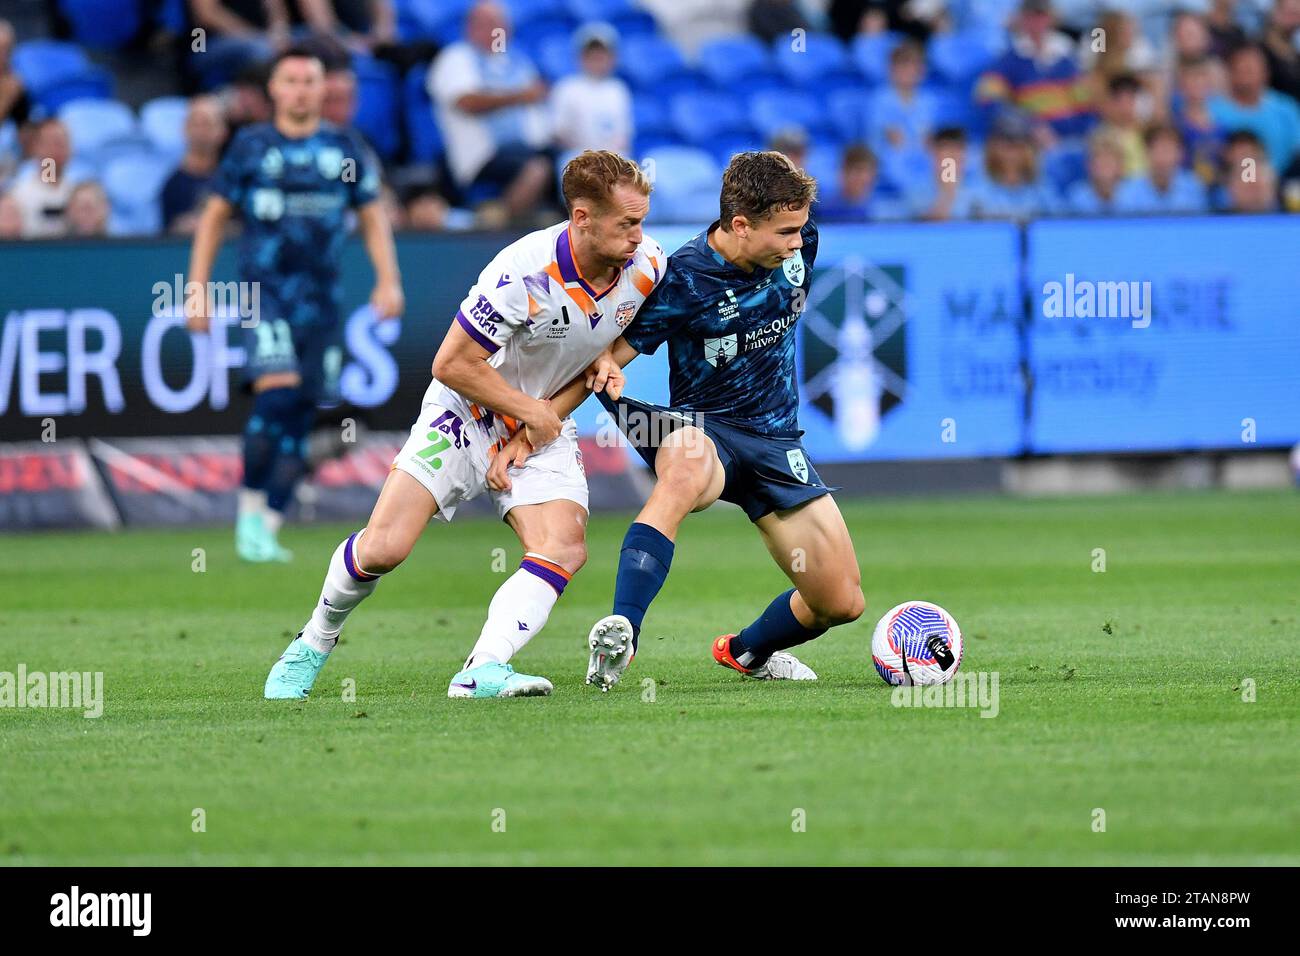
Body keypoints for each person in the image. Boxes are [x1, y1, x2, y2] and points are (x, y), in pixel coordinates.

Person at [262, 150, 666, 701]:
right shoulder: (523, 271)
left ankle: (482, 670)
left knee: (563, 547)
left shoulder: (647, 268)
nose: (639, 237)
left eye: (642, 220)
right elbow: (451, 364)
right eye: (627, 223)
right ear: (581, 217)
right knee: (385, 547)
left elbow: (607, 358)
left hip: (543, 423)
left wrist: (532, 429)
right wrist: (525, 415)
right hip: (463, 414)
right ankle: (312, 641)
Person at [559, 151, 865, 692]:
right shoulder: (684, 278)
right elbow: (609, 360)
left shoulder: (799, 245)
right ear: (740, 225)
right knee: (685, 472)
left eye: (800, 229)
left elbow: (790, 218)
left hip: (776, 441)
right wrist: (539, 419)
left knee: (840, 602)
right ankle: (622, 631)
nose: (799, 241)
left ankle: (747, 651)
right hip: (705, 428)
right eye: (786, 231)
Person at [185, 46, 404, 562]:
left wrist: (388, 280)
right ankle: (249, 510)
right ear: (274, 90)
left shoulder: (345, 148)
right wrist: (196, 286)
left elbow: (372, 216)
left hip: (323, 302)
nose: (301, 89)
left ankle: (269, 524)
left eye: (310, 80)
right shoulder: (251, 147)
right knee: (277, 396)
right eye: (291, 80)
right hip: (266, 295)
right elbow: (215, 216)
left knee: (304, 413)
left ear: (323, 89)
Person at [426, 1, 552, 222]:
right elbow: (467, 101)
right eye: (490, 24)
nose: (498, 31)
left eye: (501, 24)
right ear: (471, 27)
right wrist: (519, 96)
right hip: (482, 157)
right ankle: (499, 222)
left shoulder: (518, 61)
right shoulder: (456, 58)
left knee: (575, 165)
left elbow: (539, 103)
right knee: (538, 169)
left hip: (528, 148)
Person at [975, 0, 1094, 148]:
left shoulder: (1068, 56)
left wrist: (1084, 133)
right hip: (1030, 144)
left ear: (1051, 19)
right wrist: (1030, 126)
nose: (1036, 22)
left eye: (1041, 16)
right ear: (1021, 20)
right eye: (1030, 16)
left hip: (1073, 139)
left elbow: (1086, 102)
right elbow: (987, 100)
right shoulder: (1007, 60)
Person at [1209, 42, 1300, 172]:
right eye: (1242, 69)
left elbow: (1297, 151)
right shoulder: (1212, 111)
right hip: (1233, 184)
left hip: (1283, 183)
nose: (1246, 76)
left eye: (1251, 70)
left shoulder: (1286, 108)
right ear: (1230, 73)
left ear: (1266, 72)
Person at [550, 23, 632, 155]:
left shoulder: (618, 90)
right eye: (591, 55)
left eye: (602, 55)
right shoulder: (567, 88)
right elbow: (558, 134)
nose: (597, 60)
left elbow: (623, 137)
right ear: (580, 57)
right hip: (576, 157)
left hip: (612, 158)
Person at [161, 95, 229, 233]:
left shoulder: (233, 180)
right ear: (184, 129)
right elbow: (164, 236)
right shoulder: (172, 185)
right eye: (194, 124)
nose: (200, 132)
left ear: (223, 131)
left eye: (207, 124)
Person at [1114, 125, 1208, 214]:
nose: (1163, 158)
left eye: (1168, 150)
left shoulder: (1193, 187)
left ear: (1180, 154)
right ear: (1147, 153)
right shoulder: (1128, 190)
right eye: (1158, 150)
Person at [816, 143, 907, 221]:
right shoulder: (822, 210)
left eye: (866, 171)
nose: (861, 178)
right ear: (842, 172)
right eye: (857, 171)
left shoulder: (887, 214)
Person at [1063, 129, 1127, 215]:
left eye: (1110, 160)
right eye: (1099, 159)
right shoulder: (1077, 196)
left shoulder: (1134, 195)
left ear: (1121, 166)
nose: (1105, 165)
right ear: (1089, 165)